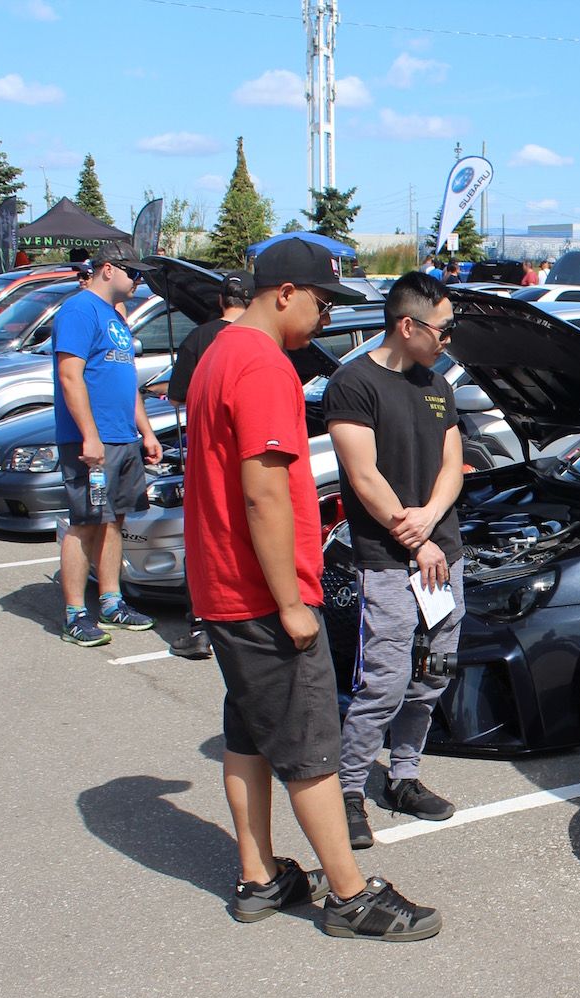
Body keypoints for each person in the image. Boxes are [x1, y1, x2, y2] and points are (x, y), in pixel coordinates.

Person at [184, 237, 441, 941]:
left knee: (249, 733)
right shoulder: (263, 365)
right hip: (262, 594)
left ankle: (260, 874)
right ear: (285, 293)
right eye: (323, 302)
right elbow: (265, 494)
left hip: (222, 585)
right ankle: (351, 898)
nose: (326, 318)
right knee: (309, 747)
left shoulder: (219, 352)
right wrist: (292, 603)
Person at [324, 270, 465, 847]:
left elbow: (453, 464)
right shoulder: (353, 384)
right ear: (407, 325)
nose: (448, 340)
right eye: (443, 329)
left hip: (442, 553)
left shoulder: (439, 386)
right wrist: (416, 537)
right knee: (385, 681)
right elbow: (363, 476)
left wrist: (431, 517)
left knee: (434, 674)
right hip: (389, 558)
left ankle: (403, 777)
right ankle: (349, 789)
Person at [52, 239, 163, 647]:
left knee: (115, 520)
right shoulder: (79, 309)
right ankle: (74, 614)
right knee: (85, 523)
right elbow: (70, 375)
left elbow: (125, 381)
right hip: (93, 442)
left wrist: (146, 431)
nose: (137, 280)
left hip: (123, 438)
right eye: (132, 272)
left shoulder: (116, 317)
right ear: (107, 269)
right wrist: (89, 435)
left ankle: (111, 601)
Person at [164, 268, 253, 660]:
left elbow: (178, 396)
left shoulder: (200, 337)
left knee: (204, 540)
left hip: (206, 453)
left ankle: (202, 627)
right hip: (253, 452)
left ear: (221, 300)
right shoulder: (259, 341)